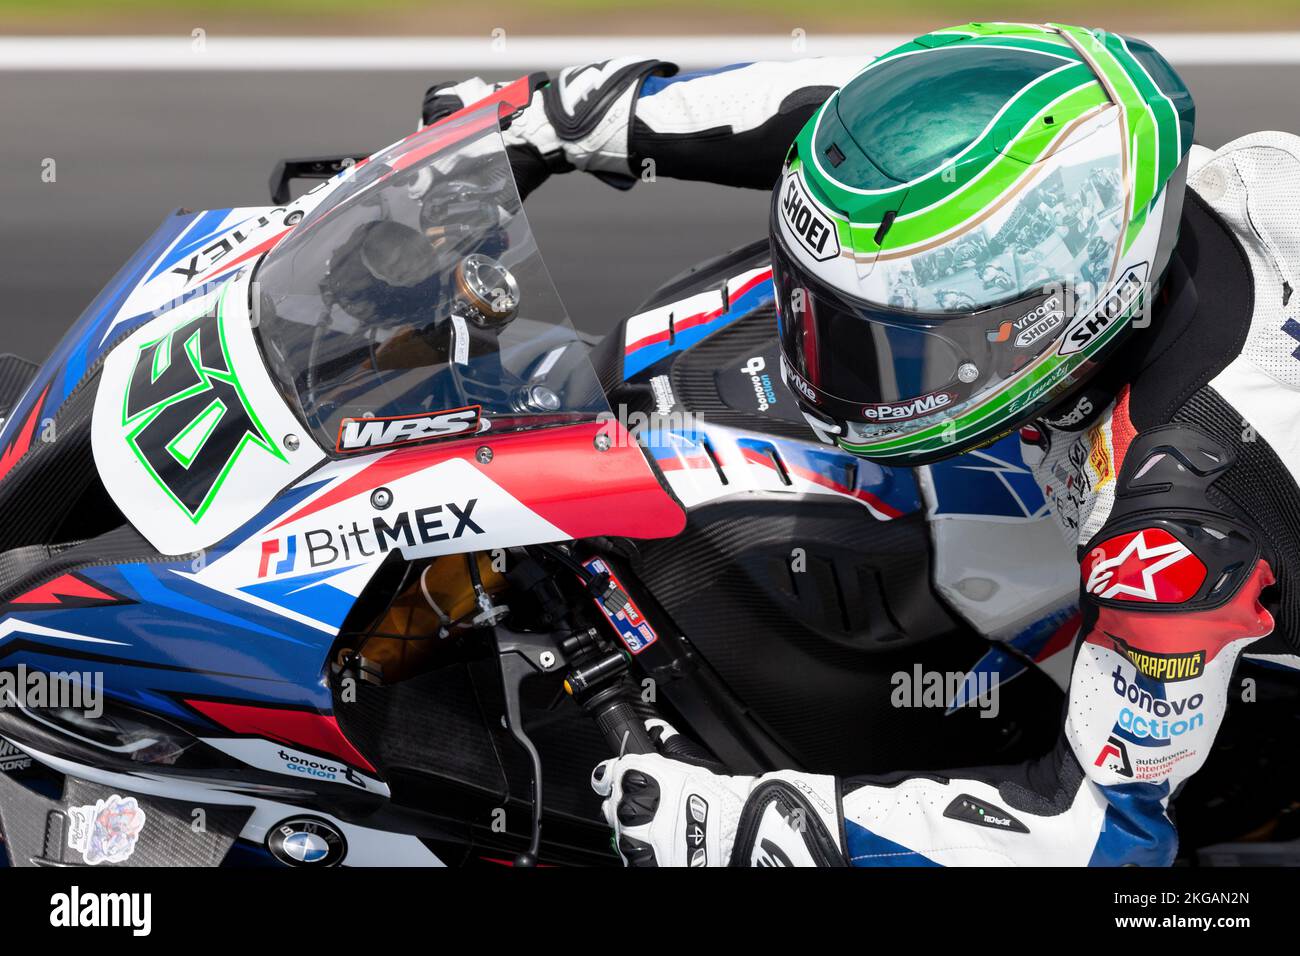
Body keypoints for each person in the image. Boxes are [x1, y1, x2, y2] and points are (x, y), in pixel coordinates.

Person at [422, 22, 1300, 866]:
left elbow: (1102, 838)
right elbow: (852, 129)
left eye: (897, 345)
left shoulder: (1173, 531)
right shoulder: (1110, 185)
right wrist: (554, 120)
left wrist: (754, 824)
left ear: (1055, 317)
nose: (823, 358)